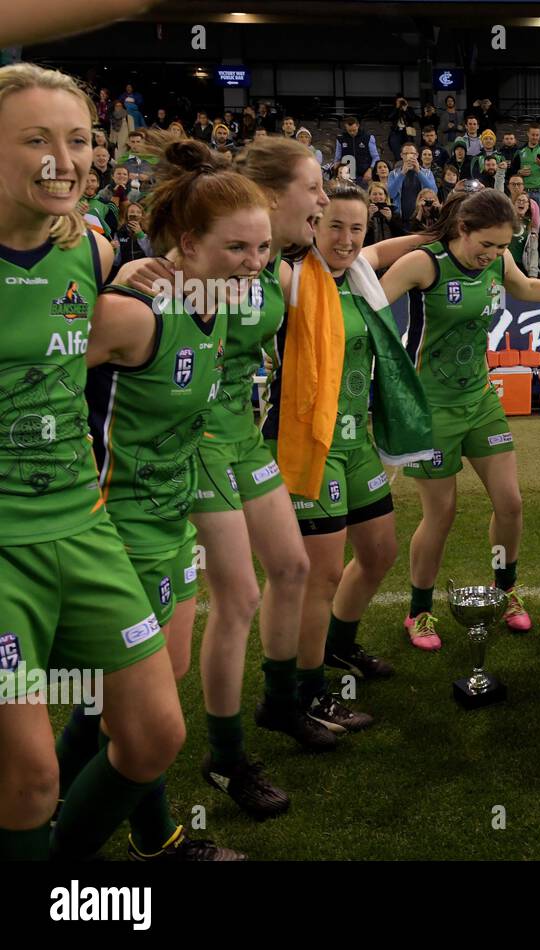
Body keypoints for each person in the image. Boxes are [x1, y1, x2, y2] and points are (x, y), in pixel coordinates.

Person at [0, 60, 183, 864]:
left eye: (77, 140)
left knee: (152, 737)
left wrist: (128, 273)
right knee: (29, 777)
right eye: (35, 140)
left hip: (85, 528)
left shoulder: (90, 246)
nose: (63, 160)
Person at [85, 139, 275, 849]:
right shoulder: (135, 312)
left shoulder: (218, 303)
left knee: (147, 693)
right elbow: (35, 359)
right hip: (112, 526)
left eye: (261, 248)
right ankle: (119, 836)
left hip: (171, 518)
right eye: (238, 248)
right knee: (145, 710)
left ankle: (107, 828)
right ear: (188, 245)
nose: (255, 262)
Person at [381, 189, 540, 647]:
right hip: (430, 410)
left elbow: (525, 287)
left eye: (503, 247)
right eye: (488, 245)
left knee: (511, 504)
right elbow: (369, 304)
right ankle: (419, 612)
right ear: (462, 229)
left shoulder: (498, 263)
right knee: (440, 515)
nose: (496, 256)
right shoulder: (424, 263)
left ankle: (506, 590)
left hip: (481, 399)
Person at [266, 179, 431, 725]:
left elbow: (384, 249)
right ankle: (306, 691)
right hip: (309, 443)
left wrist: (438, 232)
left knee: (380, 550)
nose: (345, 239)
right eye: (333, 225)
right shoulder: (292, 276)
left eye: (356, 228)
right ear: (311, 224)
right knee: (323, 576)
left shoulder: (358, 273)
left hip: (356, 439)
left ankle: (338, 645)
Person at [388, 142, 438, 225]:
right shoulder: (393, 174)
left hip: (422, 218)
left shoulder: (427, 173)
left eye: (412, 153)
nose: (409, 156)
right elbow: (391, 194)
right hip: (401, 218)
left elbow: (433, 192)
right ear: (401, 155)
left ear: (417, 155)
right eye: (406, 154)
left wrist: (418, 172)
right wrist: (402, 173)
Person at [334, 115, 380, 183]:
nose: (352, 133)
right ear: (346, 127)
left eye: (354, 130)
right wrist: (336, 173)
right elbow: (337, 159)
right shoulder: (340, 139)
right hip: (347, 175)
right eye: (349, 131)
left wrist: (370, 170)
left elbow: (376, 157)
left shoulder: (368, 138)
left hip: (364, 175)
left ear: (358, 126)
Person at [509, 190, 540, 277]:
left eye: (524, 201)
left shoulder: (531, 229)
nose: (521, 203)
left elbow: (533, 253)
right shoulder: (505, 221)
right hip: (503, 264)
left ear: (528, 207)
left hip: (520, 268)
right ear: (513, 204)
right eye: (518, 200)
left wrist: (533, 275)